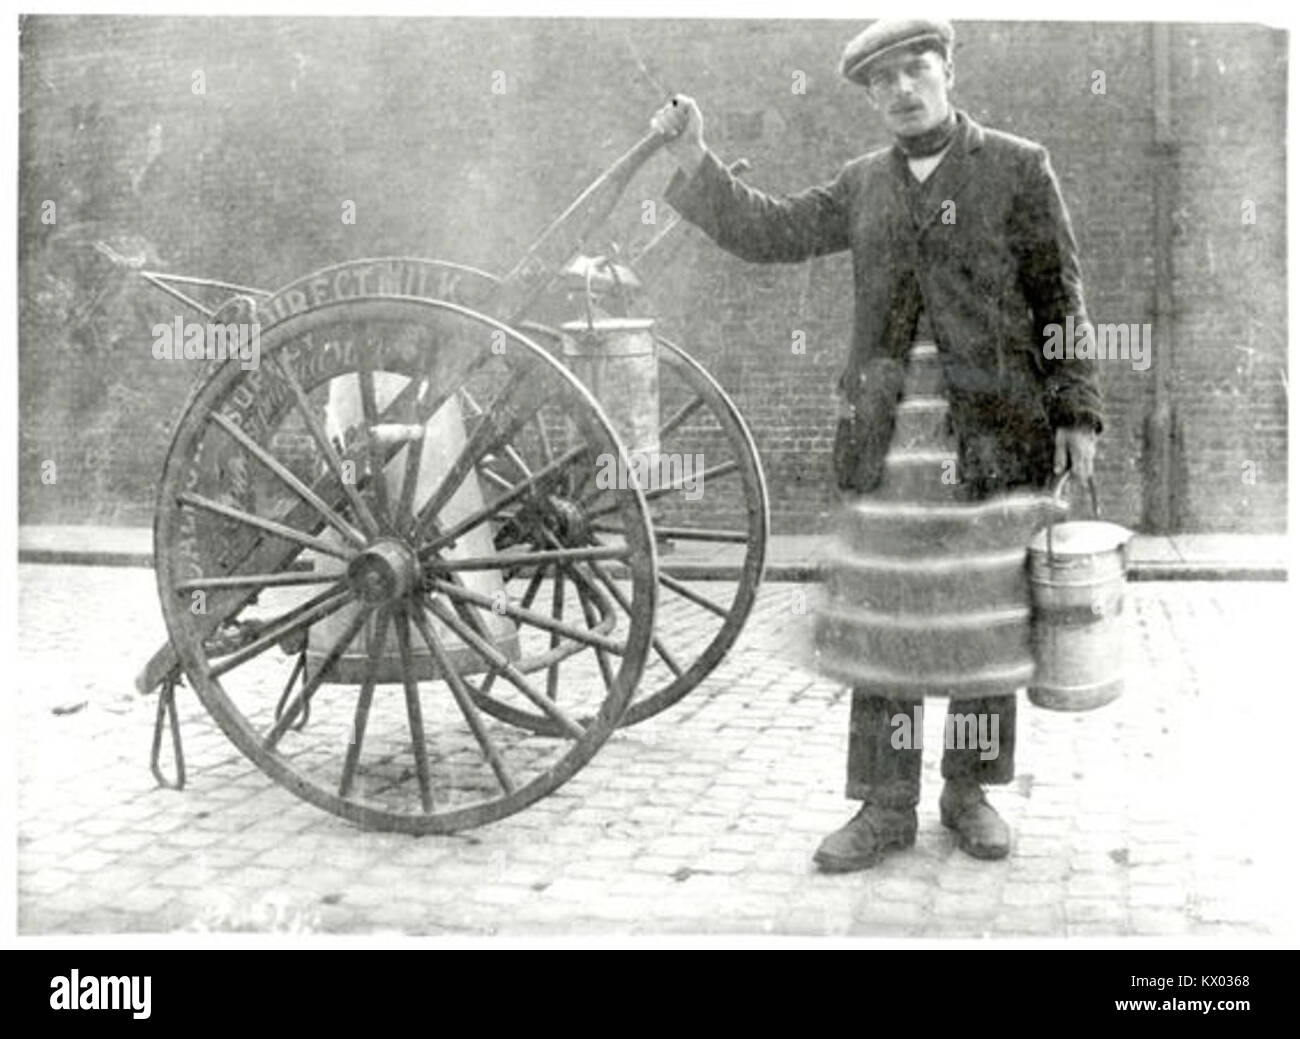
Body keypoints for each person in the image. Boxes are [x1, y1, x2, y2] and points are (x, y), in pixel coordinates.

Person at [651, 18, 1103, 872]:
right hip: (890, 441)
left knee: (980, 617)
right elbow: (770, 230)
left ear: (946, 70)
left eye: (914, 69)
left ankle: (969, 793)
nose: (900, 89)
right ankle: (885, 804)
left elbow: (1061, 299)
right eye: (880, 81)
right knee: (885, 617)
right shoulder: (864, 185)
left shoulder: (1016, 167)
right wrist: (697, 163)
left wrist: (1075, 409)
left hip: (993, 434)